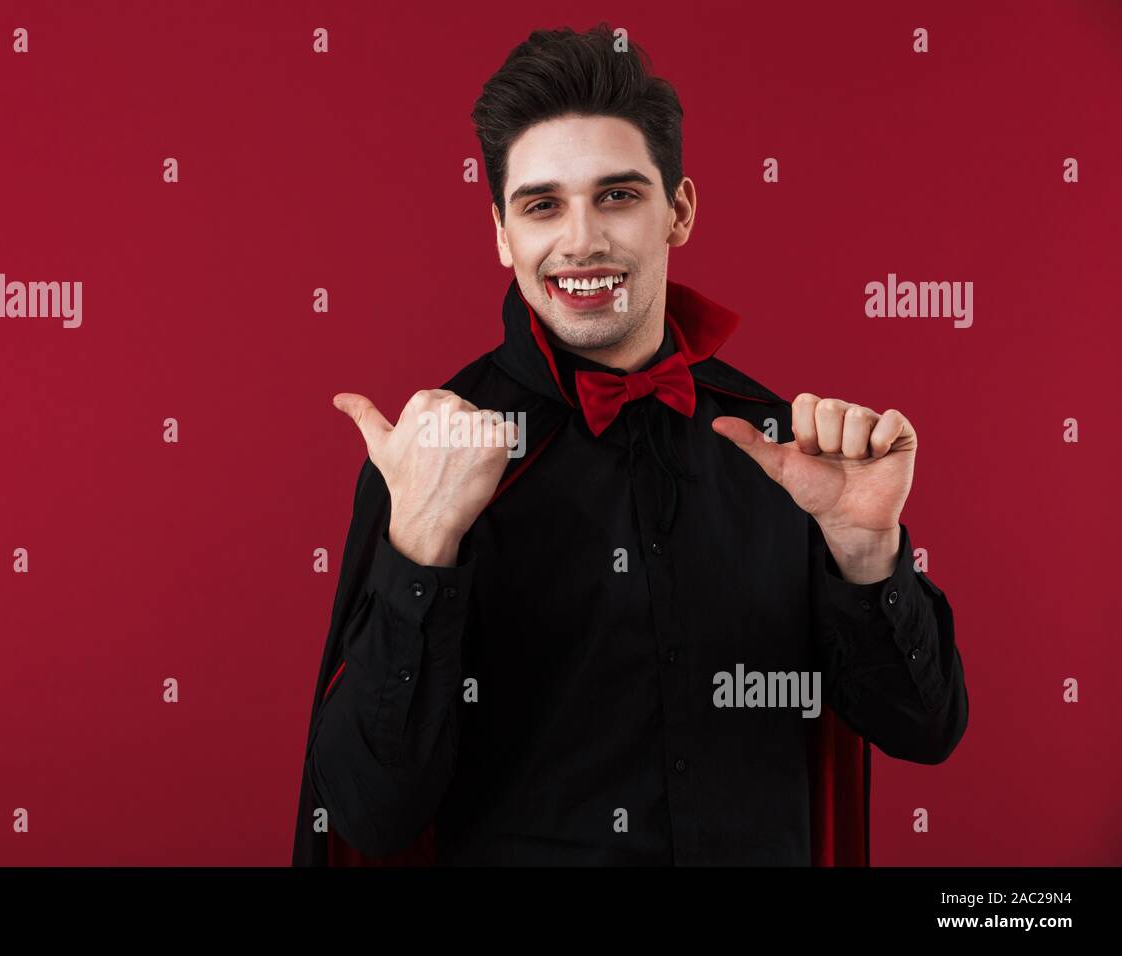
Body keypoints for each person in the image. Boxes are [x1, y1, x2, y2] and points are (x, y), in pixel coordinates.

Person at [291, 23, 968, 866]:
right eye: (543, 205)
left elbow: (924, 730)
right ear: (502, 232)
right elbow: (367, 812)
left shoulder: (789, 448)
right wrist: (420, 550)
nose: (582, 241)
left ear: (677, 211)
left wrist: (869, 554)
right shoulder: (427, 456)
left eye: (617, 195)